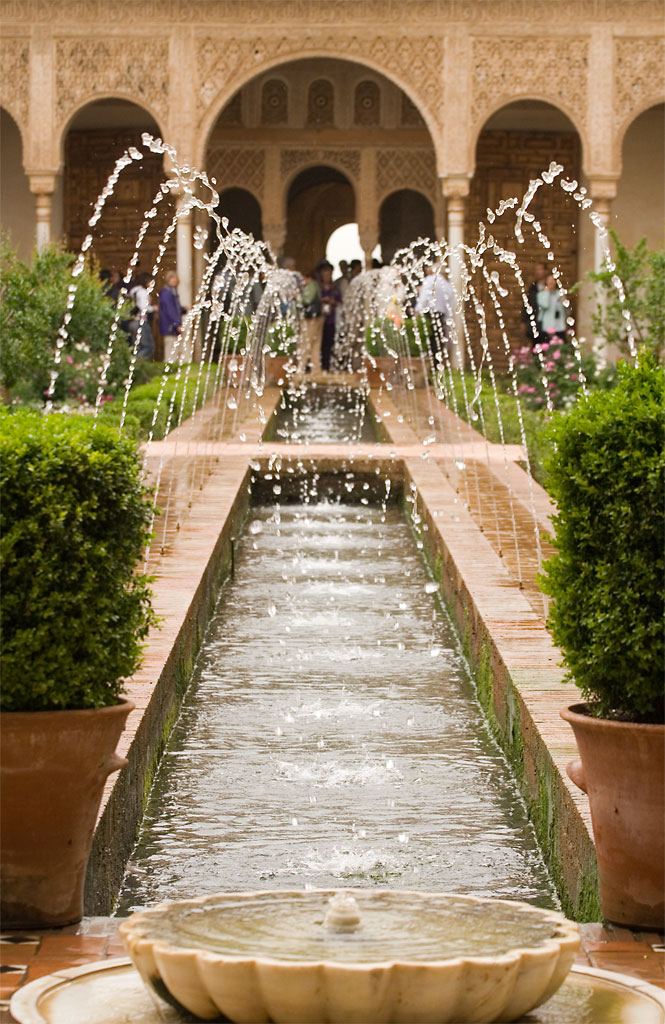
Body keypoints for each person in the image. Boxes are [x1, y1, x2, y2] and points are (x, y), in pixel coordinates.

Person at [414, 263, 454, 359]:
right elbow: (450, 304)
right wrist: (447, 318)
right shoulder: (447, 285)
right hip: (441, 315)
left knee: (427, 338)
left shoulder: (429, 280)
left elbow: (423, 297)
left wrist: (417, 310)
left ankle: (428, 362)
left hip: (429, 313)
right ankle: (436, 363)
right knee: (438, 340)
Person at [295, 270, 323, 378]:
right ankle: (316, 370)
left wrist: (296, 295)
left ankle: (301, 368)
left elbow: (306, 299)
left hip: (311, 319)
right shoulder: (314, 285)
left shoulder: (311, 286)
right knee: (315, 344)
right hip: (316, 317)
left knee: (305, 342)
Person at [318, 261, 342, 371]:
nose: (327, 276)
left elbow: (340, 302)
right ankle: (320, 365)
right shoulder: (318, 288)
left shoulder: (335, 288)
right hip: (320, 319)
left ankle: (329, 366)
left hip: (331, 319)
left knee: (331, 342)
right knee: (320, 343)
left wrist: (333, 302)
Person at [159, 271, 187, 363]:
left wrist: (184, 309)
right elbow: (170, 310)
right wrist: (177, 324)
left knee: (176, 349)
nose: (174, 280)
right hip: (169, 326)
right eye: (172, 278)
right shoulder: (167, 293)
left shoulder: (172, 292)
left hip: (172, 326)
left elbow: (175, 308)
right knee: (171, 350)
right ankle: (169, 370)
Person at [128, 272, 155, 360]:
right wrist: (153, 308)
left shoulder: (134, 291)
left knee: (137, 347)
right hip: (141, 322)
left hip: (133, 321)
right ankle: (135, 363)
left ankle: (134, 365)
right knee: (148, 347)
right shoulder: (143, 292)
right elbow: (143, 307)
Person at [522, 261, 548, 343]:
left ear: (545, 271)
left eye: (540, 269)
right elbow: (527, 304)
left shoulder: (552, 286)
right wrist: (523, 320)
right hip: (536, 323)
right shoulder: (533, 288)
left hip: (549, 322)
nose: (538, 272)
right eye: (536, 270)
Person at [536, 274, 566, 338]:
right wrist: (546, 292)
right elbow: (545, 305)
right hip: (548, 325)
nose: (551, 282)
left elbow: (566, 308)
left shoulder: (560, 293)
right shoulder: (541, 294)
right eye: (549, 280)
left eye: (553, 280)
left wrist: (564, 301)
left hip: (559, 324)